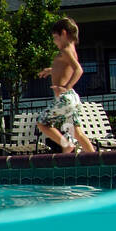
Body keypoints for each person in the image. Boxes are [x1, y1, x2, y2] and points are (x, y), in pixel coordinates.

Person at [36, 17, 97, 154]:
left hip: (65, 97)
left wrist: (65, 87)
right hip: (71, 98)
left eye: (55, 37)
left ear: (63, 33)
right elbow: (66, 68)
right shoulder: (70, 49)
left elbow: (78, 70)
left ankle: (66, 144)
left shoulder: (65, 50)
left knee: (42, 122)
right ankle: (95, 159)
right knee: (77, 133)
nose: (54, 41)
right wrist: (50, 71)